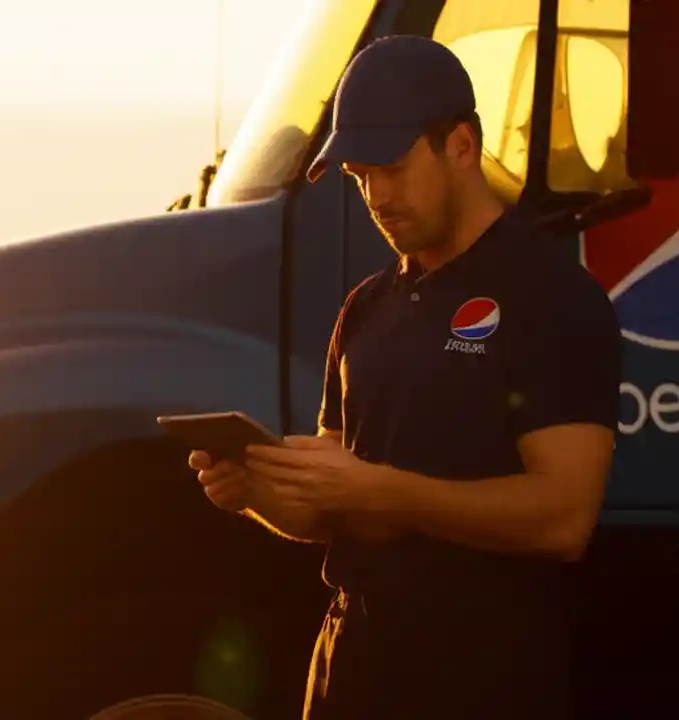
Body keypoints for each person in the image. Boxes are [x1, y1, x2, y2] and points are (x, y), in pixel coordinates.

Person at [188, 34, 620, 719]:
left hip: (481, 675)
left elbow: (564, 517)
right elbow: (335, 508)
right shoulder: (367, 309)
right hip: (350, 667)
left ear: (461, 145)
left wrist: (383, 489)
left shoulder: (551, 295)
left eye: (391, 168)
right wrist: (257, 494)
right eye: (361, 177)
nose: (376, 196)